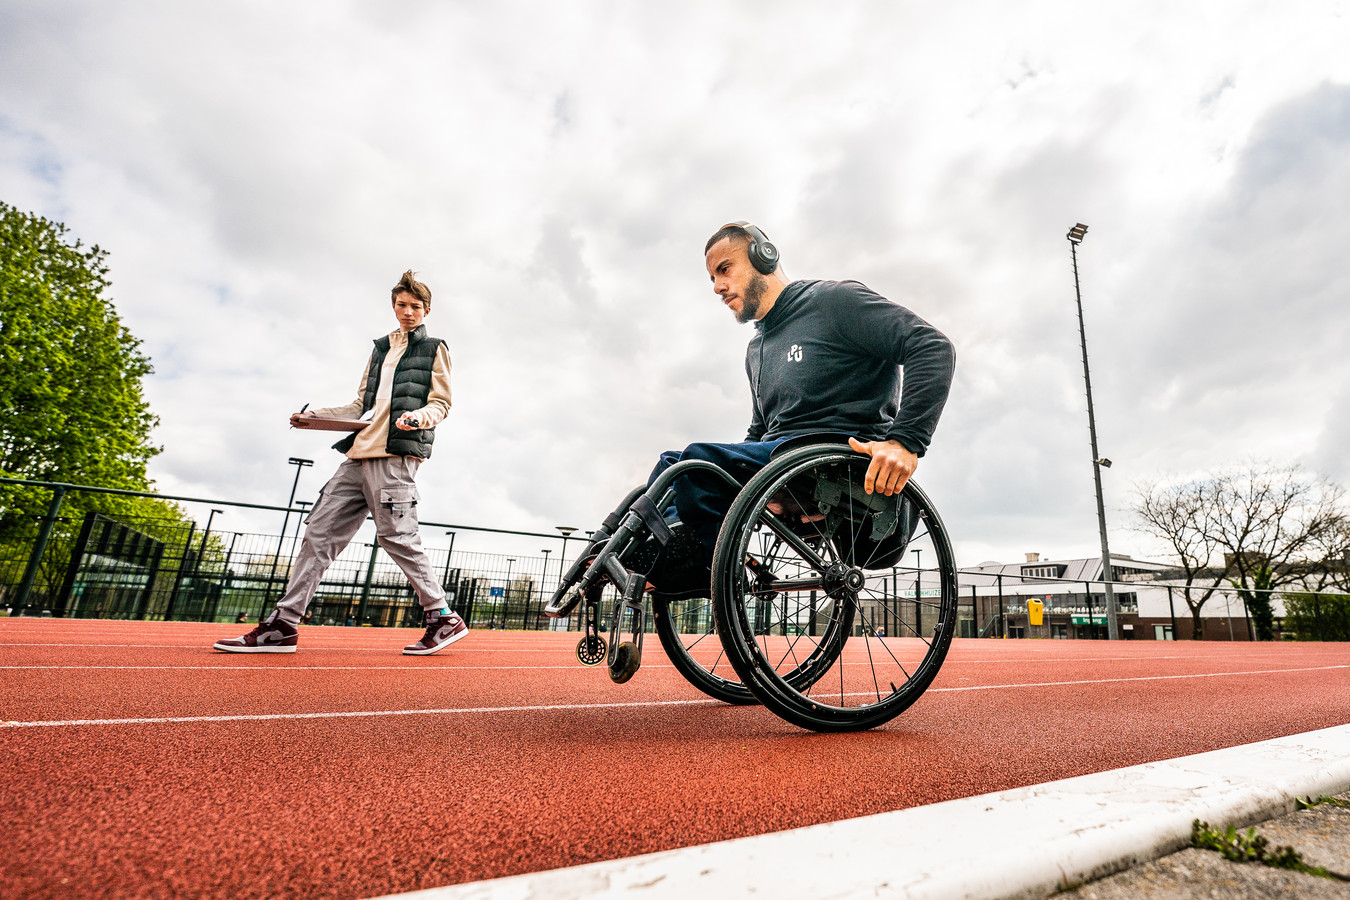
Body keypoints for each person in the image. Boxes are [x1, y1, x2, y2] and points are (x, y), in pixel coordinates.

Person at [644, 222, 955, 591]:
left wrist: (905, 441)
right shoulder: (756, 351)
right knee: (673, 466)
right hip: (778, 458)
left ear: (764, 256)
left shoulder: (835, 302)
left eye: (724, 269)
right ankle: (640, 556)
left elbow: (933, 347)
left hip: (836, 458)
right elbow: (759, 432)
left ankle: (700, 568)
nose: (717, 287)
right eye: (712, 278)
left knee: (693, 463)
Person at [214, 271, 468, 655]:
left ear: (426, 310)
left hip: (396, 456)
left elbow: (442, 403)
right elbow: (359, 405)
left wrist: (418, 418)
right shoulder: (381, 348)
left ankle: (442, 616)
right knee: (318, 534)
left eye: (416, 306)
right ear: (393, 306)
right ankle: (283, 624)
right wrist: (315, 416)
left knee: (397, 536)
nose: (408, 312)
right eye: (402, 305)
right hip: (358, 455)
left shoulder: (434, 348)